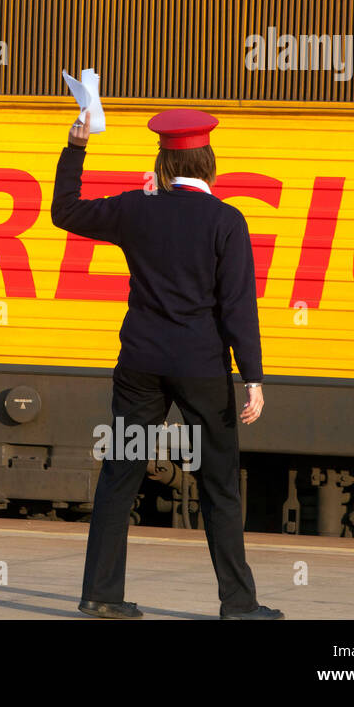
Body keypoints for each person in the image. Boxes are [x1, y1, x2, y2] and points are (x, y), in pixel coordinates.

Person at [50, 106, 283, 620]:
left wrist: (77, 144)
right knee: (218, 484)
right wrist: (253, 378)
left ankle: (100, 595)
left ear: (163, 163)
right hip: (202, 372)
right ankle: (239, 605)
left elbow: (65, 210)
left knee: (120, 475)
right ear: (209, 163)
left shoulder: (137, 209)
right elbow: (238, 306)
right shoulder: (227, 221)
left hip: (140, 369)